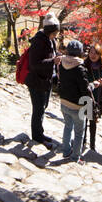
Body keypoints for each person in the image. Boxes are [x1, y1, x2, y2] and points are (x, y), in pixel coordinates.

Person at [24, 14, 60, 147]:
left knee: (43, 107)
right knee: (38, 109)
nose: (56, 35)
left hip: (46, 80)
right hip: (36, 81)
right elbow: (34, 64)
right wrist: (53, 61)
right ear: (50, 31)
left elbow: (53, 55)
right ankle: (37, 136)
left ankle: (40, 132)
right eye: (55, 32)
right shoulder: (38, 42)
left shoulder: (51, 40)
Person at [57, 40, 91, 162]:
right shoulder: (80, 68)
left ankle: (66, 151)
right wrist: (92, 86)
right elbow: (84, 89)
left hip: (64, 101)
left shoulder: (62, 63)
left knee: (67, 127)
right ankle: (75, 157)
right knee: (78, 132)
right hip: (77, 106)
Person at [83, 44, 102, 154]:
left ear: (100, 55)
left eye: (95, 53)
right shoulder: (85, 65)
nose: (93, 55)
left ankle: (92, 144)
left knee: (93, 120)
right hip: (86, 94)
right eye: (91, 52)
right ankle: (83, 140)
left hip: (98, 96)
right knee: (84, 119)